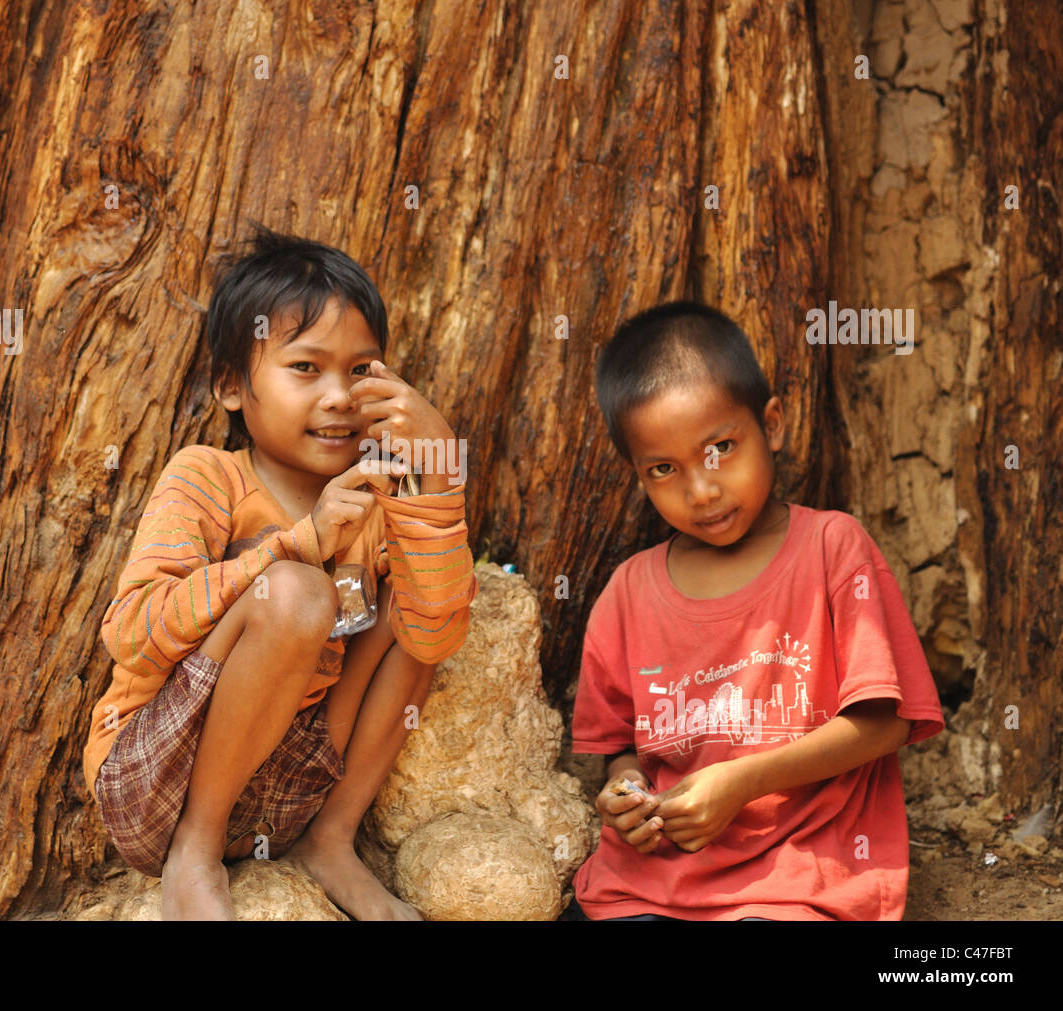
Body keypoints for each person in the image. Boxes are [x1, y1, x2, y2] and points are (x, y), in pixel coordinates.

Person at [82, 226, 476, 920]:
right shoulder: (208, 476)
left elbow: (439, 637)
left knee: (410, 611)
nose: (340, 397)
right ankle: (194, 857)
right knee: (296, 592)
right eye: (305, 368)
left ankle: (330, 842)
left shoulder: (380, 501)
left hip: (289, 792)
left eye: (361, 370)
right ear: (232, 386)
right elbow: (134, 633)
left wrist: (439, 482)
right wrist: (296, 544)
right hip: (159, 783)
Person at [568, 301, 945, 921]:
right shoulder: (627, 593)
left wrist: (742, 781)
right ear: (638, 476)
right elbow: (621, 750)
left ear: (770, 425)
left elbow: (887, 724)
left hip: (795, 881)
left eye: (720, 447)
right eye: (664, 469)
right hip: (650, 885)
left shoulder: (831, 548)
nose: (702, 489)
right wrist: (626, 793)